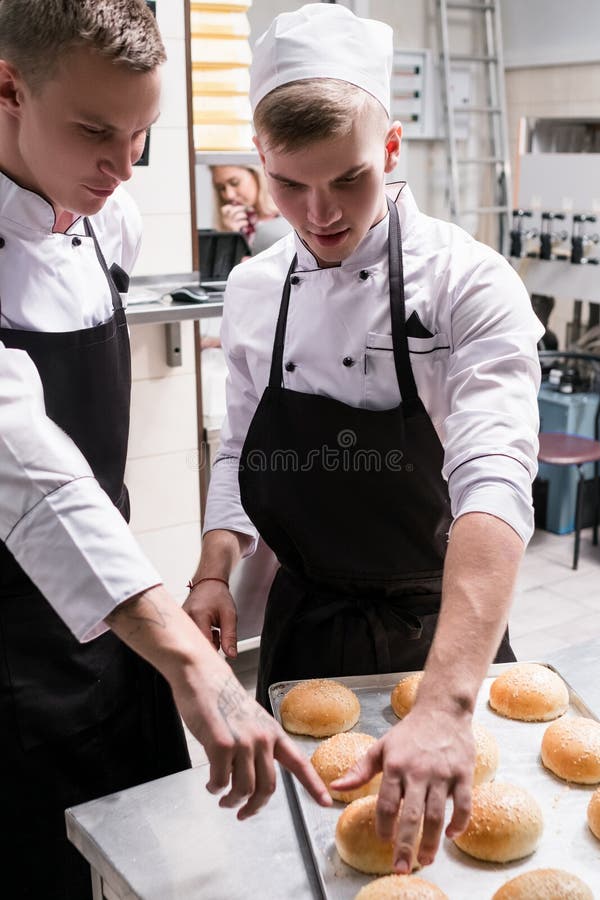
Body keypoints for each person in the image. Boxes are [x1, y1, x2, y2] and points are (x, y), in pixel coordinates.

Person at [186, 2, 544, 877]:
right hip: (305, 631)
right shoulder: (254, 289)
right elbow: (241, 446)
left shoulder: (470, 282)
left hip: (443, 633)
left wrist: (452, 700)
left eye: (346, 180)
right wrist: (212, 565)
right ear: (262, 165)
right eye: (289, 185)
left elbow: (495, 477)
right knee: (308, 863)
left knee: (455, 865)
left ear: (390, 150)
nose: (319, 214)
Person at [0, 3, 330, 898]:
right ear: (8, 88)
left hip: (112, 633)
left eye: (141, 134)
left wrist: (167, 641)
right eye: (96, 132)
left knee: (149, 862)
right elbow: (31, 472)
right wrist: (188, 655)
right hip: (13, 653)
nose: (123, 166)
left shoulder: (109, 222)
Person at [211, 163, 290, 254]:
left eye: (235, 183)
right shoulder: (233, 223)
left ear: (256, 175)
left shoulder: (289, 216)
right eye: (221, 188)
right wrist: (229, 237)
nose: (229, 195)